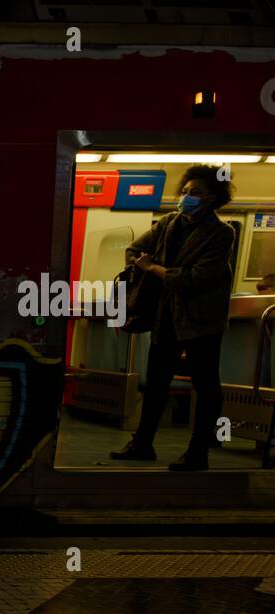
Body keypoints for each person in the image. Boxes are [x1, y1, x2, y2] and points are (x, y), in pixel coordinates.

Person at [110, 165, 236, 472]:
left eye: (195, 193)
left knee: (205, 385)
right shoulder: (168, 223)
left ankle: (198, 452)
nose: (187, 197)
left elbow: (196, 278)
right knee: (156, 383)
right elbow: (135, 249)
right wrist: (143, 263)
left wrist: (154, 269)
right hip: (166, 316)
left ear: (212, 199)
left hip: (201, 321)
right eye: (185, 191)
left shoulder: (221, 234)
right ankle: (142, 444)